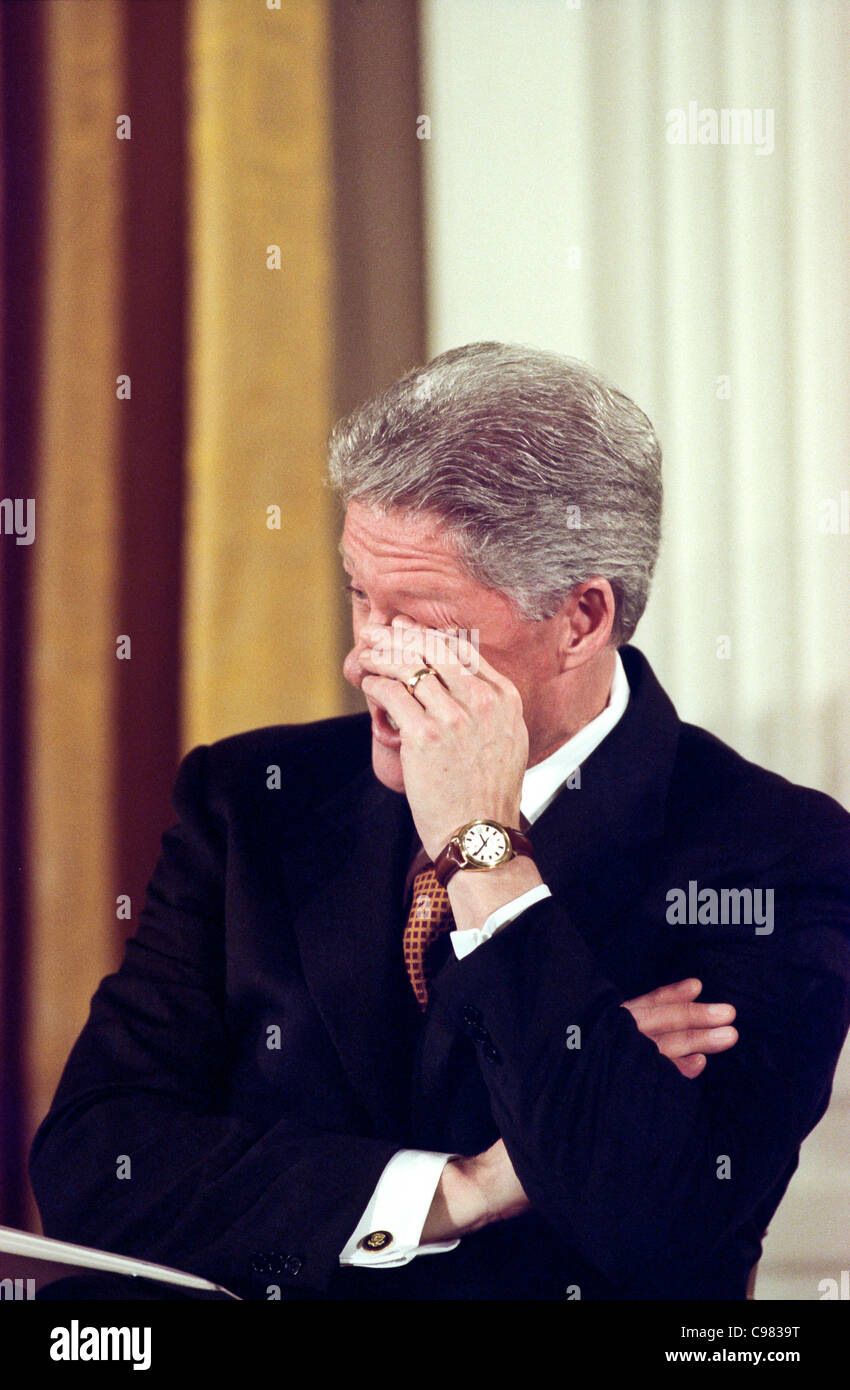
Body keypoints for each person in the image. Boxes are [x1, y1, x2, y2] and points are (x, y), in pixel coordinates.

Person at [30, 343, 850, 1300]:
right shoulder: (250, 795)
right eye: (357, 599)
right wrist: (470, 1186)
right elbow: (94, 1166)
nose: (363, 662)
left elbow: (662, 1227)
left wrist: (486, 851)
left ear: (581, 621)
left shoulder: (776, 853)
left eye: (417, 621)